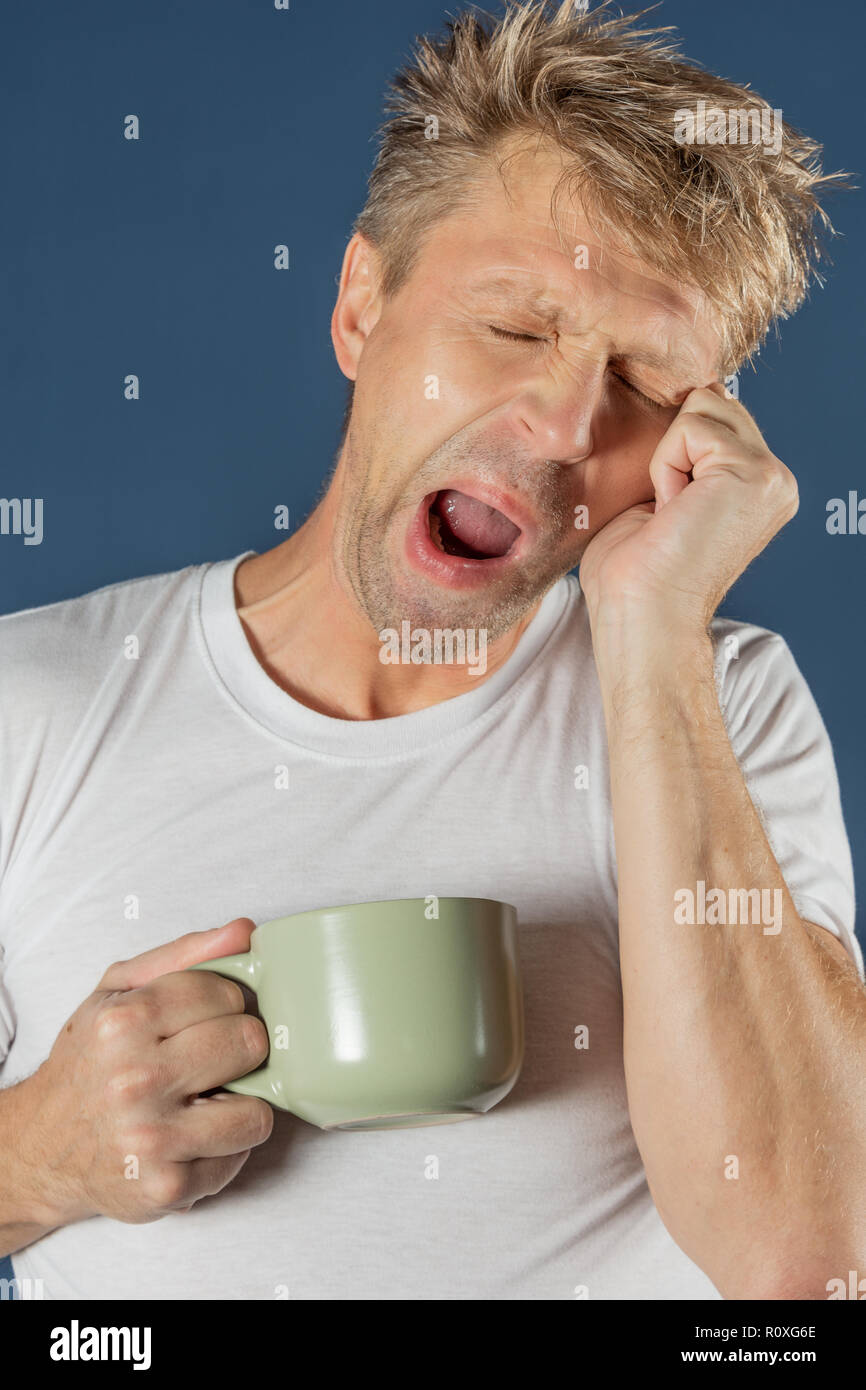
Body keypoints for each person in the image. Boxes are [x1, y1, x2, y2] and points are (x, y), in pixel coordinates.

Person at [1, 0, 864, 1301]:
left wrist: (650, 638)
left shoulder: (726, 702)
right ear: (363, 305)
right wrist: (41, 1153)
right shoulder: (30, 702)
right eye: (514, 326)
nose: (567, 424)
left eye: (643, 384)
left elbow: (814, 1261)